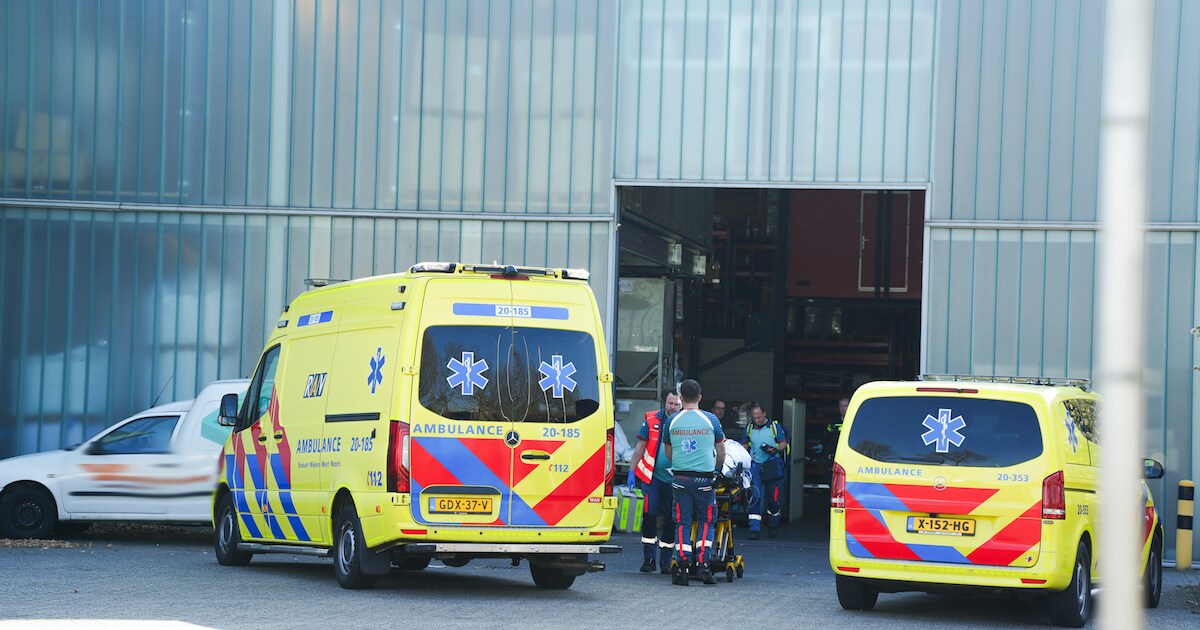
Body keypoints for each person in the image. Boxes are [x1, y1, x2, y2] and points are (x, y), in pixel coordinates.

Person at [662, 379, 725, 586]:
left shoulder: (671, 421)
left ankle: (682, 568)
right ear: (700, 397)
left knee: (682, 522)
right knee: (707, 521)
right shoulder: (711, 420)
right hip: (705, 479)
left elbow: (669, 453)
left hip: (680, 478)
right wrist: (716, 469)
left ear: (680, 398)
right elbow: (722, 450)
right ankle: (703, 566)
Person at [626, 390, 681, 574]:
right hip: (653, 478)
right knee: (649, 516)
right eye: (670, 403)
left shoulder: (683, 423)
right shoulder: (651, 420)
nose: (673, 407)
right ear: (665, 402)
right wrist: (632, 472)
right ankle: (649, 559)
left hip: (675, 479)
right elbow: (640, 447)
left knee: (670, 519)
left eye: (676, 404)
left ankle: (665, 561)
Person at [742, 403, 788, 539]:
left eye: (759, 417)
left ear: (764, 414)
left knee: (773, 499)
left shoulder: (774, 427)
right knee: (755, 496)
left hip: (772, 464)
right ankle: (754, 529)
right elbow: (745, 444)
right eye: (754, 418)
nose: (756, 420)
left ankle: (773, 525)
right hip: (755, 465)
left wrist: (775, 449)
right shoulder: (749, 428)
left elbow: (783, 443)